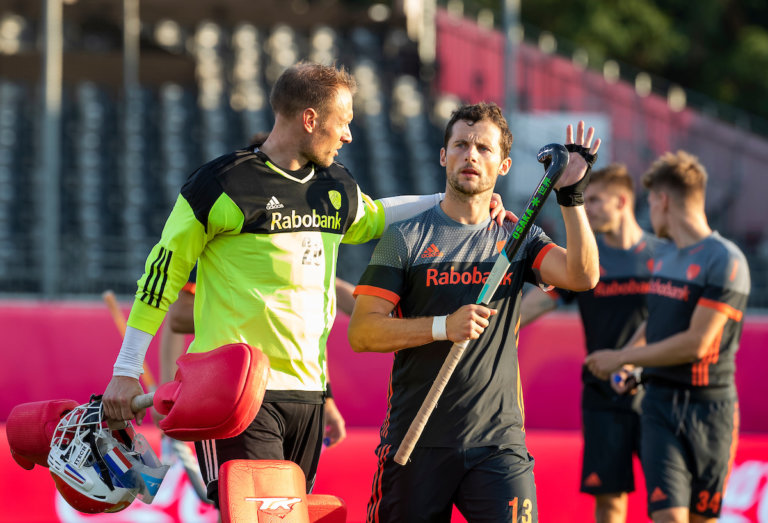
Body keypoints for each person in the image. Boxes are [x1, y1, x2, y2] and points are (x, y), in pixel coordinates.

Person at [101, 62, 512, 507]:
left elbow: (374, 216)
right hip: (237, 392)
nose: (349, 135)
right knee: (260, 516)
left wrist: (456, 200)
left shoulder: (335, 187)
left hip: (308, 396)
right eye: (344, 122)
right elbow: (160, 277)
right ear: (311, 119)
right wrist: (126, 370)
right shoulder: (219, 184)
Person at [347, 102, 601, 522]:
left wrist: (570, 196)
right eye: (461, 144)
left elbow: (583, 275)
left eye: (483, 148)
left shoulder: (518, 236)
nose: (471, 155)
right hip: (416, 439)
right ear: (443, 156)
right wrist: (442, 327)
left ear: (502, 165)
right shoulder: (404, 239)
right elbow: (363, 333)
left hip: (498, 444)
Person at [585, 151, 750, 523]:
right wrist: (625, 357)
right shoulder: (663, 256)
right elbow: (655, 323)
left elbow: (697, 344)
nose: (649, 214)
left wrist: (619, 358)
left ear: (662, 200)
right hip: (658, 405)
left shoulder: (726, 260)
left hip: (711, 410)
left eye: (651, 202)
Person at [519, 164, 667, 523]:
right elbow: (535, 305)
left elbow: (673, 320)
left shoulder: (664, 256)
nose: (589, 207)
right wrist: (487, 327)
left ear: (621, 201)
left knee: (669, 503)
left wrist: (628, 359)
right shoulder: (585, 262)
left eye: (596, 200)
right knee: (609, 501)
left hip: (659, 395)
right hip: (603, 396)